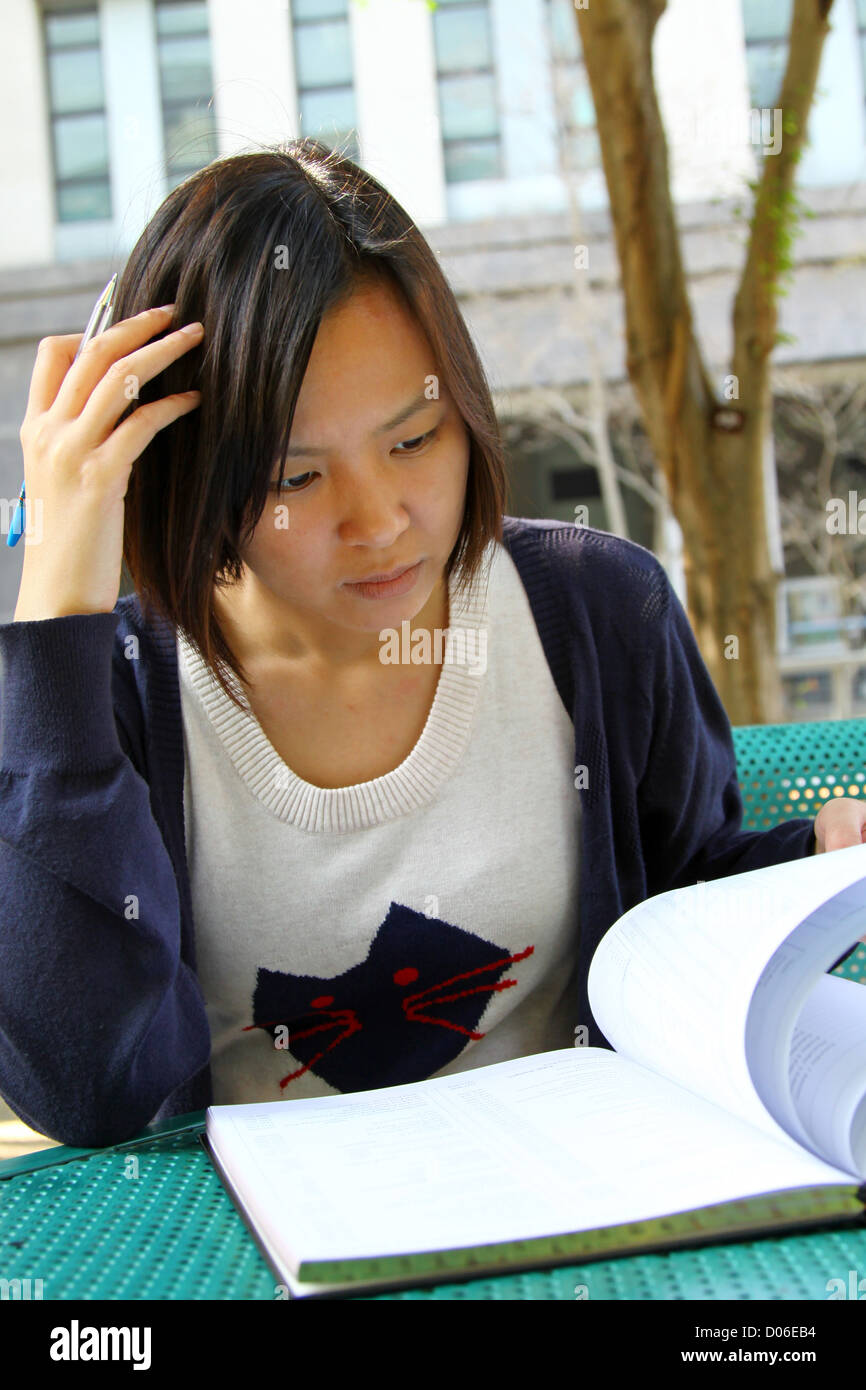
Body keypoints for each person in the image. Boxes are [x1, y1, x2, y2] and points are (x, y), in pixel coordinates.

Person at [1, 140, 863, 1150]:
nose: (379, 522)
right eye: (293, 478)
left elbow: (677, 908)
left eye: (413, 439)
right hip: (262, 1227)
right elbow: (84, 1090)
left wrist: (807, 862)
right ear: (178, 466)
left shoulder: (598, 609)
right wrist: (55, 590)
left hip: (589, 1192)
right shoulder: (114, 691)